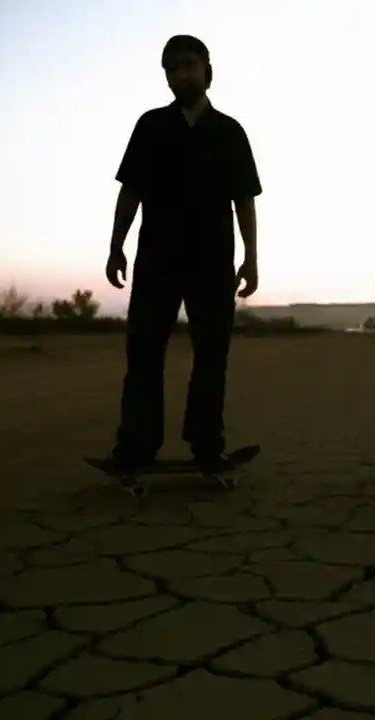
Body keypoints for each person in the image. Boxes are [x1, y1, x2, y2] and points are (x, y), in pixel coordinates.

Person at [102, 35, 262, 472]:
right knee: (144, 353)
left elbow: (244, 200)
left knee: (211, 356)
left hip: (212, 260)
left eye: (189, 65)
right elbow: (130, 190)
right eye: (172, 68)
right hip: (157, 258)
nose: (181, 74)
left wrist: (251, 257)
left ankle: (207, 445)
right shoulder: (151, 126)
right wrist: (116, 246)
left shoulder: (229, 131)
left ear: (207, 70)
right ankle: (135, 446)